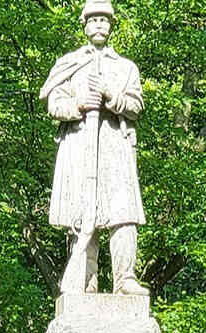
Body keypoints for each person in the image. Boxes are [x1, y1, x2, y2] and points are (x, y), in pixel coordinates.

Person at [40, 0, 149, 296]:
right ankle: (85, 283)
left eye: (104, 20)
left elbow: (136, 106)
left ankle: (125, 279)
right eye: (94, 19)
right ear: (85, 25)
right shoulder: (70, 63)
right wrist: (78, 104)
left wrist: (111, 96)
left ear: (111, 26)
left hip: (115, 149)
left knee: (123, 214)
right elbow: (54, 103)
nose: (99, 24)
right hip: (79, 148)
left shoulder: (125, 68)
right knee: (82, 216)